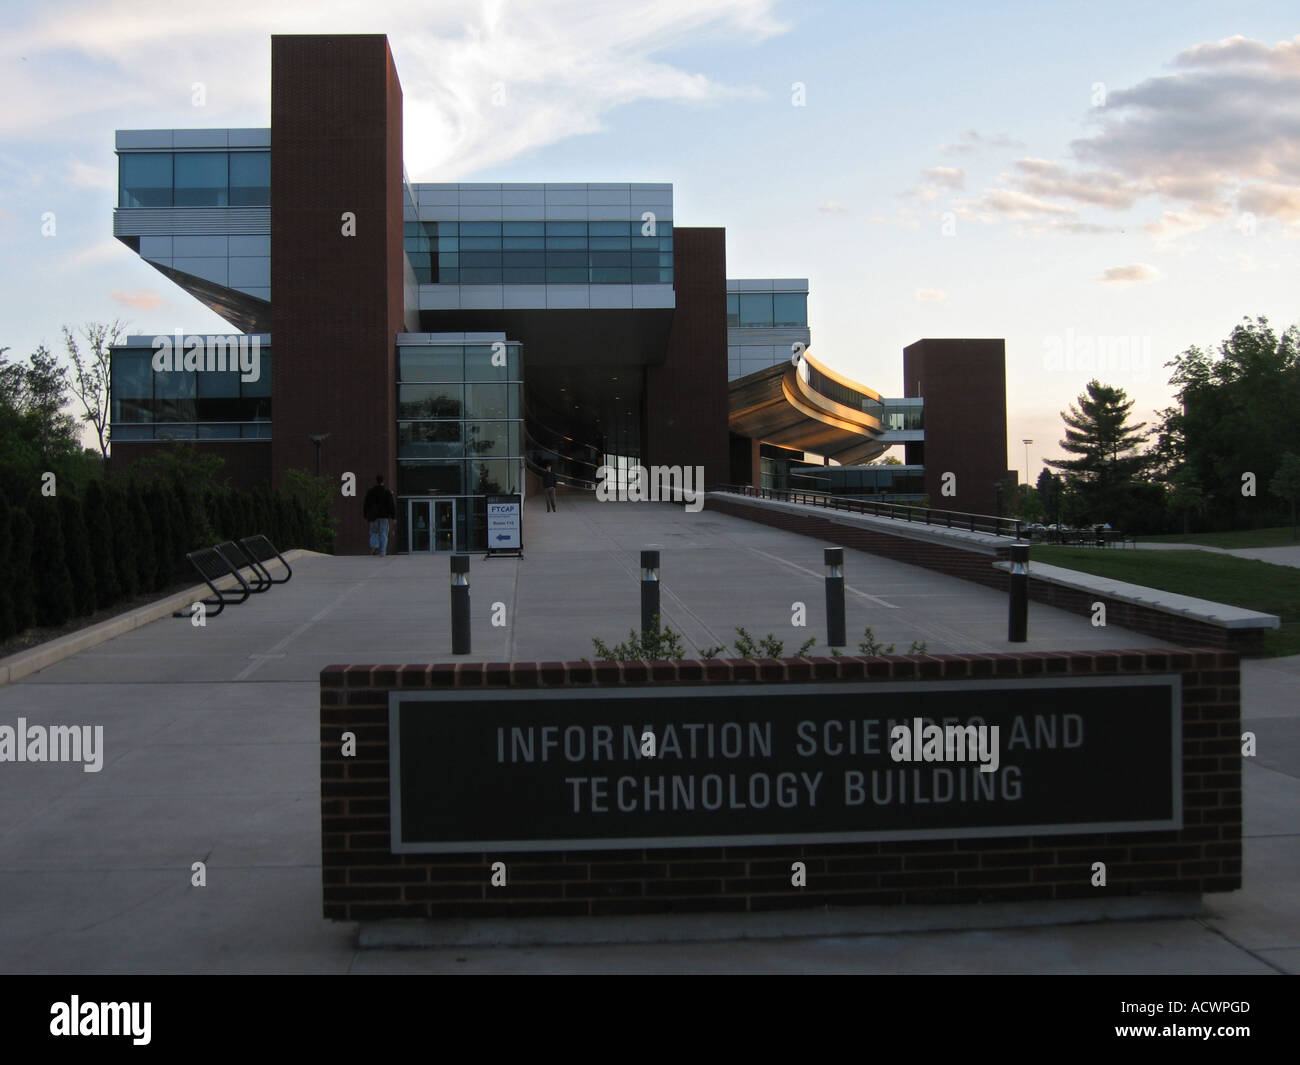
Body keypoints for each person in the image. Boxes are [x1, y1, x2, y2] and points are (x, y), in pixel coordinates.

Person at [362, 474, 397, 555]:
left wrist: (365, 515)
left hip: (373, 516)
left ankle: (375, 545)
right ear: (383, 481)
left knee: (374, 532)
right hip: (384, 516)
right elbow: (391, 505)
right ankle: (383, 552)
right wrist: (393, 517)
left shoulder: (370, 491)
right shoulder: (387, 492)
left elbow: (366, 504)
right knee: (383, 534)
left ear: (376, 481)